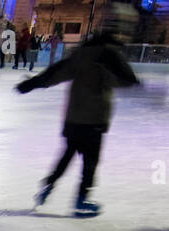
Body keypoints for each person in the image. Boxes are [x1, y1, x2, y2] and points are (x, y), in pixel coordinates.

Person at [17, 30, 139, 218]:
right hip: (94, 120)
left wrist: (31, 84)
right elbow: (126, 79)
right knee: (90, 162)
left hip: (74, 118)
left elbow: (54, 73)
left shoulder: (80, 55)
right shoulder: (109, 56)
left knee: (67, 156)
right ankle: (82, 200)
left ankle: (48, 187)